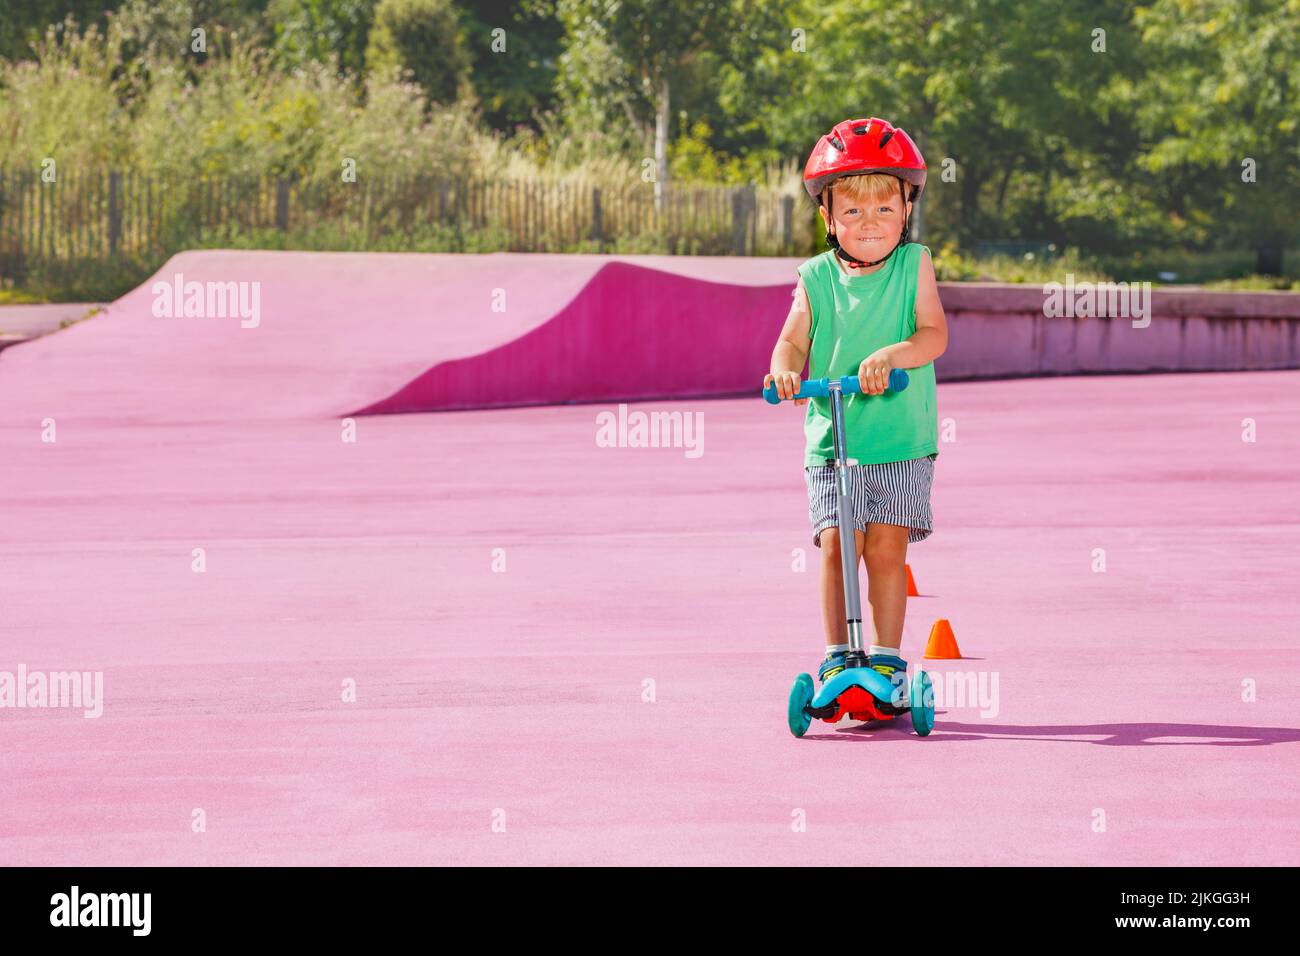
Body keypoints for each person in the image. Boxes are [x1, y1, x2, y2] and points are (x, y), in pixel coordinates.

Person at [762, 117, 948, 696]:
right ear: (827, 216)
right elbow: (794, 338)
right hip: (832, 439)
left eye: (884, 210)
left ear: (906, 209)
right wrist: (785, 368)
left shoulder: (913, 265)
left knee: (887, 548)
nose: (870, 224)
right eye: (853, 211)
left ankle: (888, 661)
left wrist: (893, 355)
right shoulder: (814, 276)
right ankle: (840, 656)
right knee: (837, 547)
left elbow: (934, 335)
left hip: (897, 438)